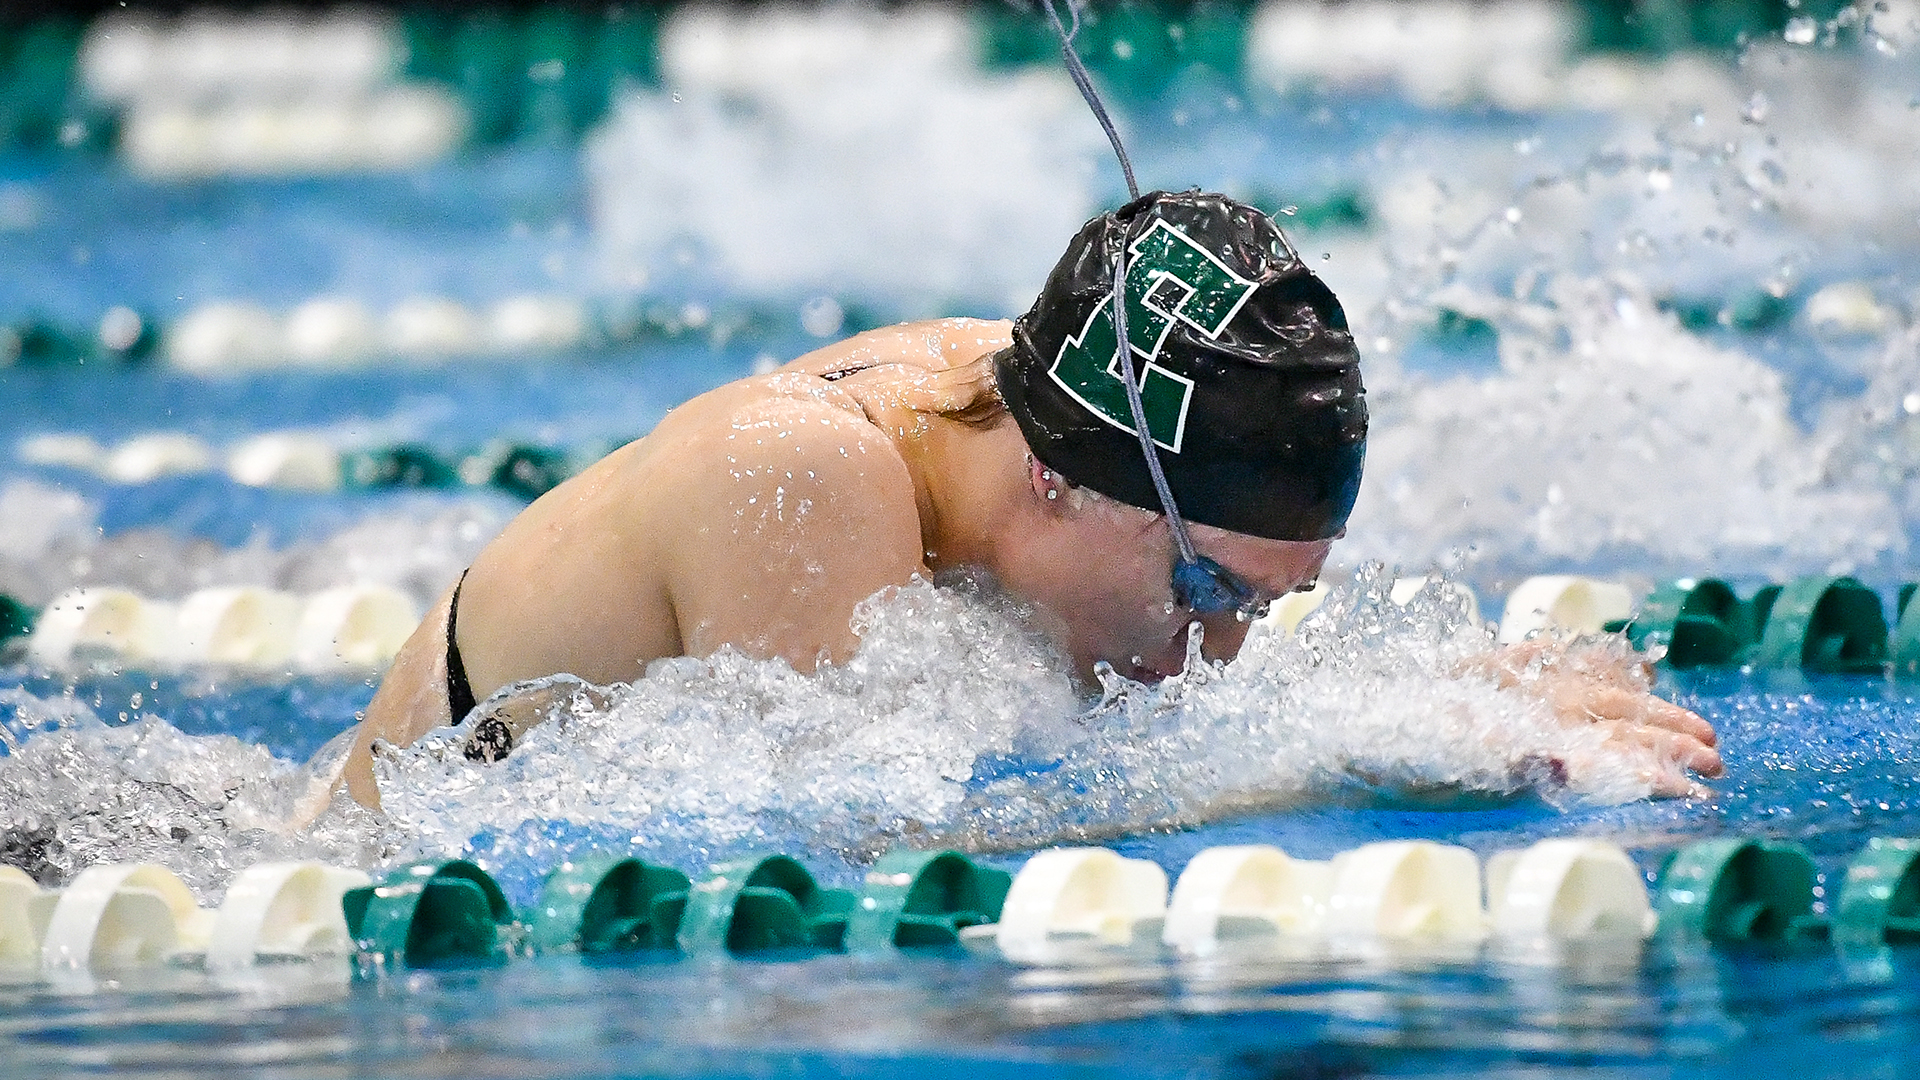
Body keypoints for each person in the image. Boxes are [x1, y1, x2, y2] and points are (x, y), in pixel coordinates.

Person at [342, 190, 1721, 808]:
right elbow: (845, 833)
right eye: (1205, 588)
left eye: (1263, 609)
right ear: (1061, 485)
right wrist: (1344, 755)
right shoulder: (808, 475)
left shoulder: (1007, 404)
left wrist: (1439, 690)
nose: (1217, 654)